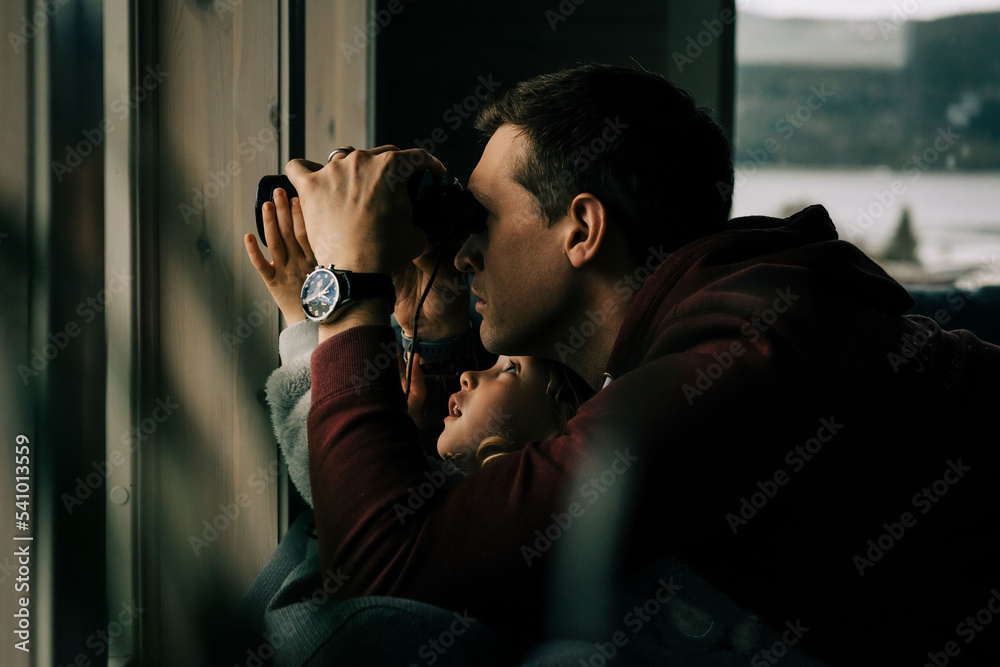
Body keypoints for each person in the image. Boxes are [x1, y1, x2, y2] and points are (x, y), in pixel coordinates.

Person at [279, 63, 1000, 664]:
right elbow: (448, 522)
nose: (464, 252)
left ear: (584, 229)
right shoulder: (722, 319)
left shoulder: (737, 360)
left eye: (482, 222)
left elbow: (386, 568)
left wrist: (346, 290)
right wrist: (430, 329)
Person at [244, 187, 595, 501]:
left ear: (555, 434)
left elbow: (349, 483)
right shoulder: (489, 507)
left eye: (511, 369)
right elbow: (423, 477)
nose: (468, 375)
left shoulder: (503, 512)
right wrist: (428, 336)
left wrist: (314, 313)